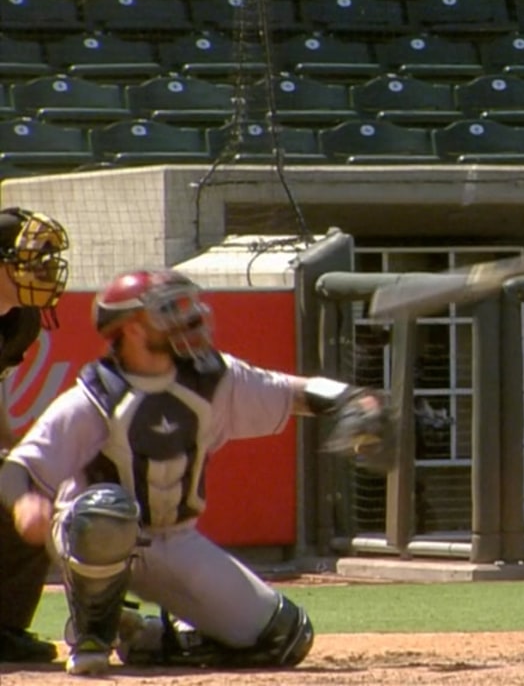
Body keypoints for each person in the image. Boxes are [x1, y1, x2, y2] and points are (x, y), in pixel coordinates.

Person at [1, 269, 389, 675]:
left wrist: (353, 401)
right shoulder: (93, 399)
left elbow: (295, 392)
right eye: (169, 311)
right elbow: (17, 469)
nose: (188, 320)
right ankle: (92, 633)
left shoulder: (213, 378)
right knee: (107, 513)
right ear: (131, 329)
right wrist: (25, 503)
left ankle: (144, 636)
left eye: (186, 307)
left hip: (175, 540)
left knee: (284, 636)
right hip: (90, 536)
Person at [0, 208, 70, 665]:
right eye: (32, 258)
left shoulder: (19, 319)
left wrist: (17, 458)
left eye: (48, 258)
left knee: (35, 481)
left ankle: (4, 628)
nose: (45, 268)